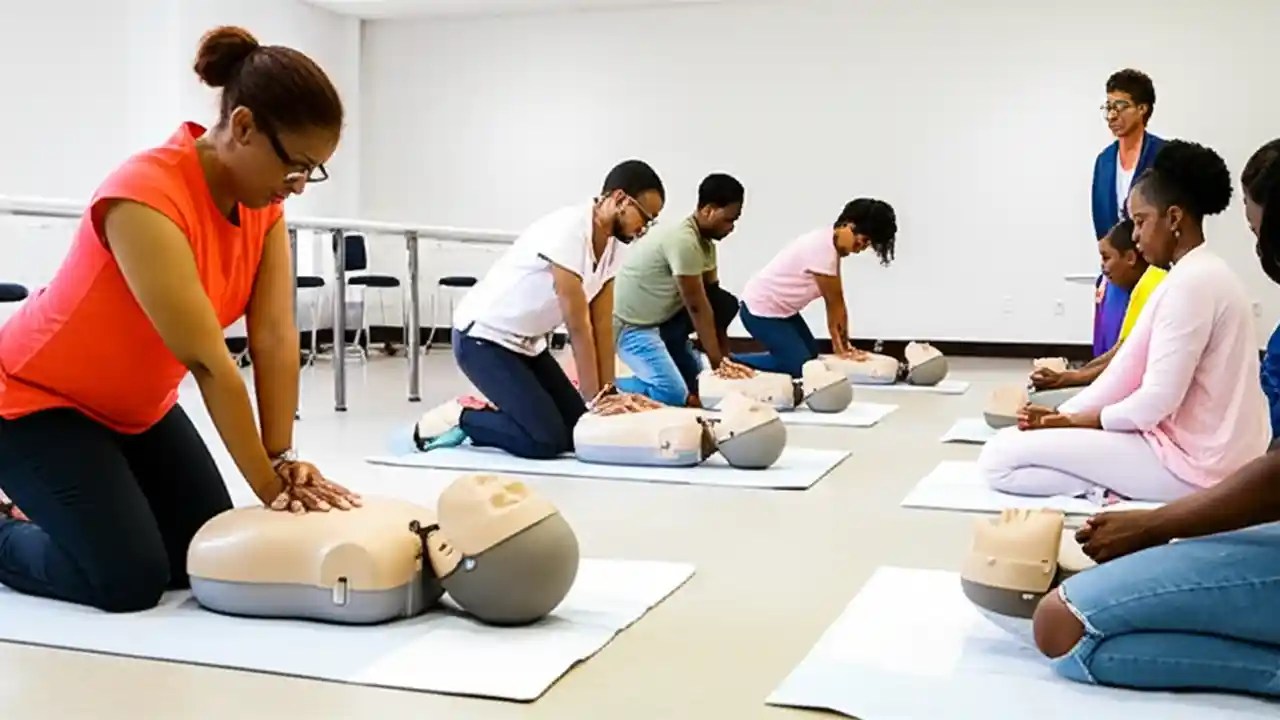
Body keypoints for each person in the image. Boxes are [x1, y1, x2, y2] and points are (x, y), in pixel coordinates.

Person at [0, 26, 359, 614]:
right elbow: (207, 361)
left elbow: (272, 337)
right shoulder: (144, 196)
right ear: (242, 127)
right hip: (36, 400)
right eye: (293, 165)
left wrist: (283, 458)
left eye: (311, 172)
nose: (295, 187)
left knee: (200, 556)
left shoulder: (262, 209)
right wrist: (271, 492)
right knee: (130, 581)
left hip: (136, 409)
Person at [1027, 139, 1280, 700]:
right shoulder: (1184, 280)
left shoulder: (1196, 280)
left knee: (1061, 628)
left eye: (1262, 233)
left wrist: (1157, 523)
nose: (1259, 246)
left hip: (1219, 482)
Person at [979, 139, 1270, 503]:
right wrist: (1062, 414)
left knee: (998, 458)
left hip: (1198, 469)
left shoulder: (1193, 283)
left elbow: (1156, 400)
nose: (1134, 235)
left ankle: (1105, 489)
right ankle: (1106, 483)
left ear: (1174, 218)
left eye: (1140, 221)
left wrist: (1073, 421)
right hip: (1204, 454)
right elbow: (1126, 370)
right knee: (1011, 444)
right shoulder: (1196, 273)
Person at [410, 160, 666, 459]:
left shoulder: (615, 247)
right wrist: (595, 400)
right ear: (620, 199)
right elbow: (578, 326)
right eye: (645, 218)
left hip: (527, 346)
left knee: (577, 431)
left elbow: (602, 325)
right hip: (482, 339)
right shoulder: (570, 230)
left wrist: (607, 394)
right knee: (544, 441)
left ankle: (508, 409)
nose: (644, 229)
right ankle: (461, 417)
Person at [612, 173, 749, 406]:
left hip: (660, 324)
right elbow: (697, 307)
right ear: (708, 210)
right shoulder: (684, 241)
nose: (732, 227)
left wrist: (723, 360)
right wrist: (717, 365)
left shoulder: (705, 246)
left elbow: (713, 304)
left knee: (725, 303)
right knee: (673, 395)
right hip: (631, 327)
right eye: (728, 219)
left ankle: (669, 363)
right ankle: (607, 386)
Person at [732, 199, 898, 377]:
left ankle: (764, 358)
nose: (859, 249)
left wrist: (843, 347)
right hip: (760, 311)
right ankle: (729, 361)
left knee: (810, 356)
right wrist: (843, 349)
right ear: (849, 225)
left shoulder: (827, 244)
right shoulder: (821, 249)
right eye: (861, 242)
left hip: (782, 311)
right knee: (800, 366)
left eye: (866, 246)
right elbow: (835, 304)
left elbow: (836, 303)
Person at [1031, 217, 1166, 393]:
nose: (1103, 266)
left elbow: (1127, 356)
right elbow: (1121, 348)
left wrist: (1071, 378)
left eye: (1106, 257)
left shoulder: (1153, 283)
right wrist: (1074, 375)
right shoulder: (1141, 286)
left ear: (1131, 258)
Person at [1091, 69, 1165, 358]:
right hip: (1118, 272)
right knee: (1110, 348)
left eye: (1120, 106)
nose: (1111, 115)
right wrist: (1107, 270)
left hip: (1153, 269)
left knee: (1144, 353)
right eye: (1107, 107)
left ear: (1142, 109)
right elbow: (1102, 221)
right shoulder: (1104, 161)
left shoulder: (1163, 155)